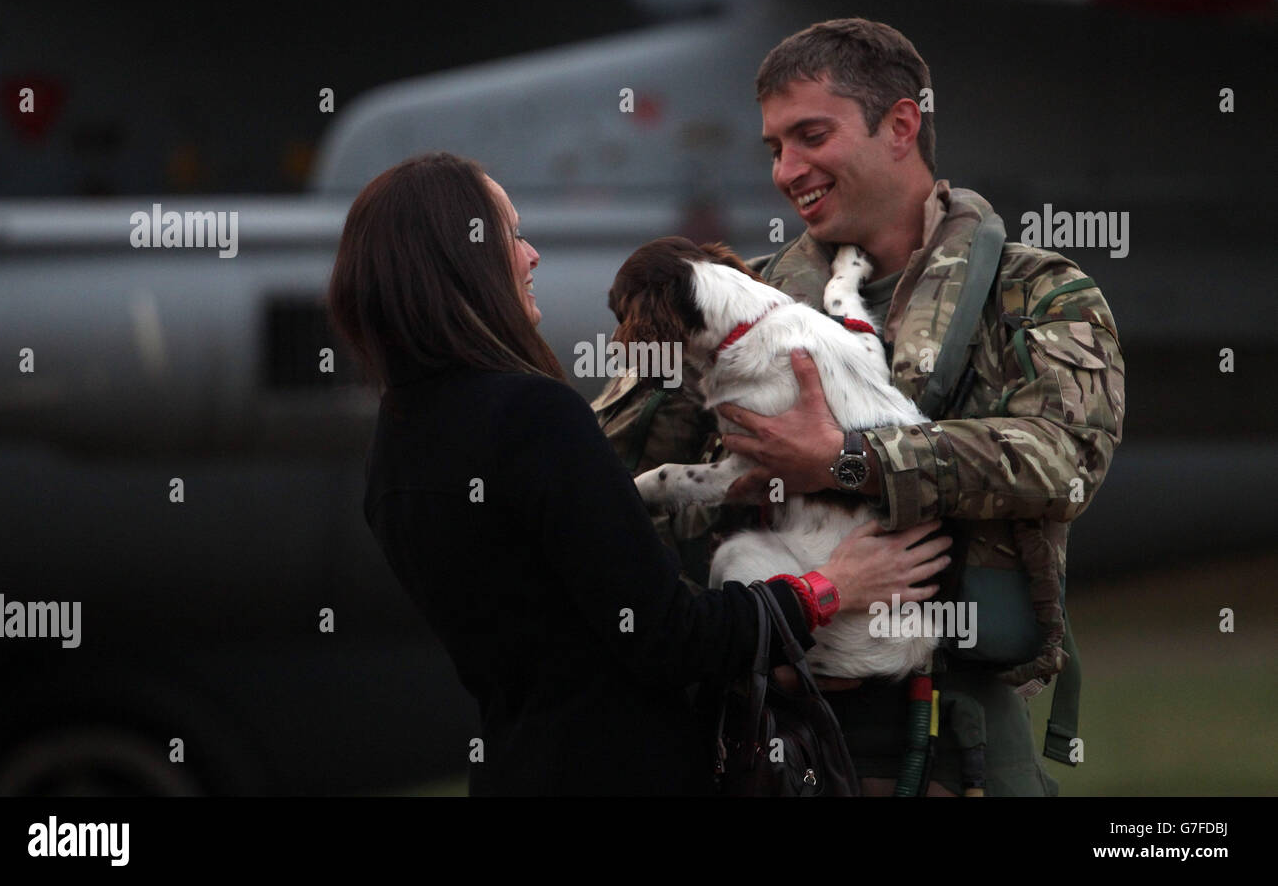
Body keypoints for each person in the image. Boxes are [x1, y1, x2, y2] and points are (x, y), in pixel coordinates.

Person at [594, 19, 1125, 796]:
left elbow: (1066, 460)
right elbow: (606, 477)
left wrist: (849, 459)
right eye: (774, 147)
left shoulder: (1036, 294)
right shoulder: (733, 305)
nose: (787, 169)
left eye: (811, 136)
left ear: (902, 124)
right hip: (779, 730)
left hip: (961, 739)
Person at [326, 150, 953, 796]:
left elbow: (572, 642)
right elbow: (672, 636)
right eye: (510, 234)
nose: (531, 254)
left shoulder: (392, 455)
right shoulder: (534, 419)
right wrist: (828, 588)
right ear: (459, 261)